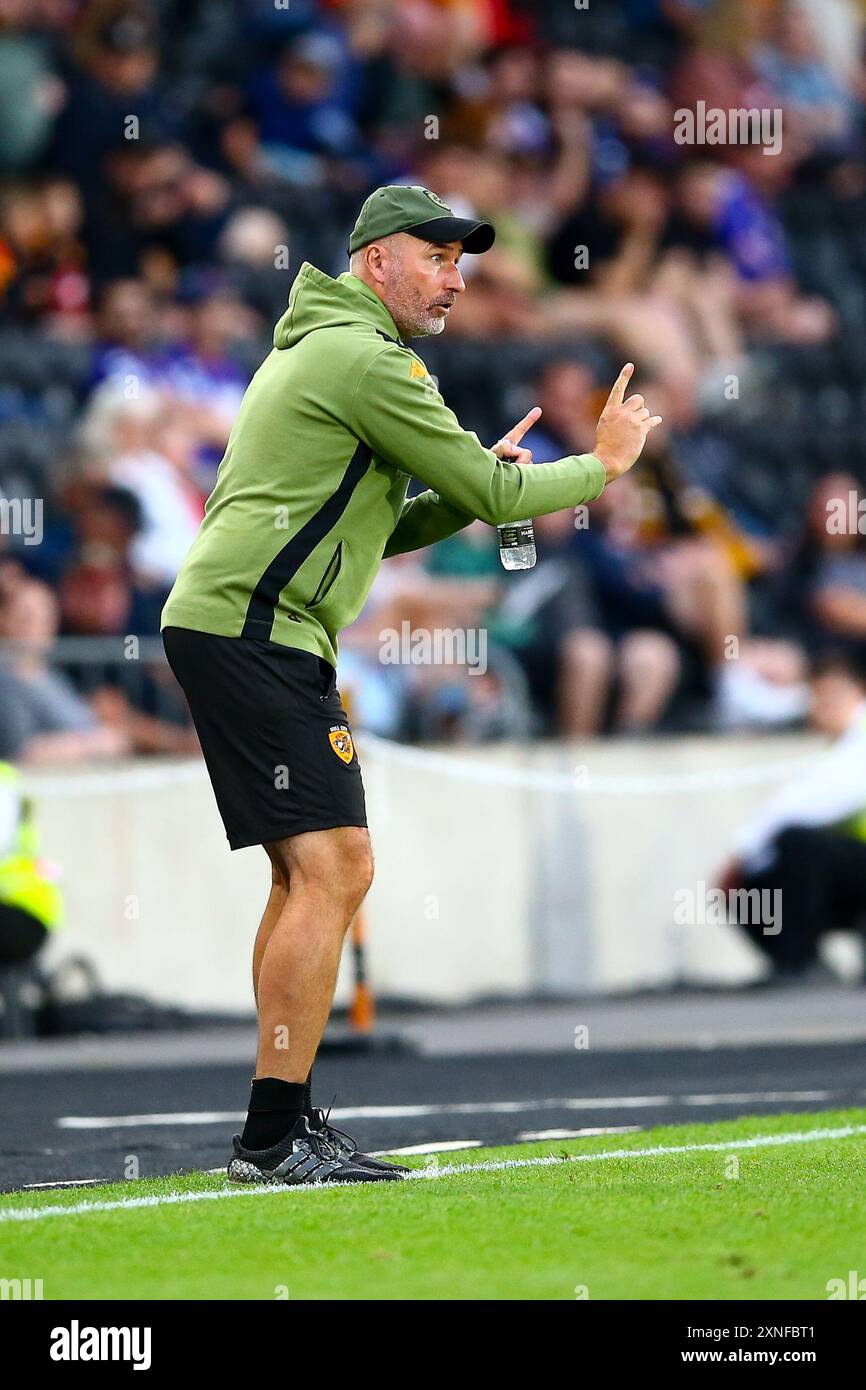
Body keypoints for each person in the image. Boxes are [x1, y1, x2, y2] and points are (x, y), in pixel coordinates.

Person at [160, 183, 662, 1186]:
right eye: (436, 258)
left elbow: (378, 527)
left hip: (237, 625)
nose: (454, 279)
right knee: (337, 864)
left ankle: (277, 1128)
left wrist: (472, 488)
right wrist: (599, 466)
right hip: (257, 629)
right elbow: (493, 493)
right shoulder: (365, 358)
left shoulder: (321, 348)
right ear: (380, 257)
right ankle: (272, 1137)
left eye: (460, 261)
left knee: (309, 871)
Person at [718, 650, 866, 982]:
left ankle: (800, 961)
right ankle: (796, 961)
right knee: (750, 887)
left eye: (834, 697)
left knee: (797, 843)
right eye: (818, 697)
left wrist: (741, 851)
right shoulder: (839, 747)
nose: (823, 706)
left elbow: (806, 804)